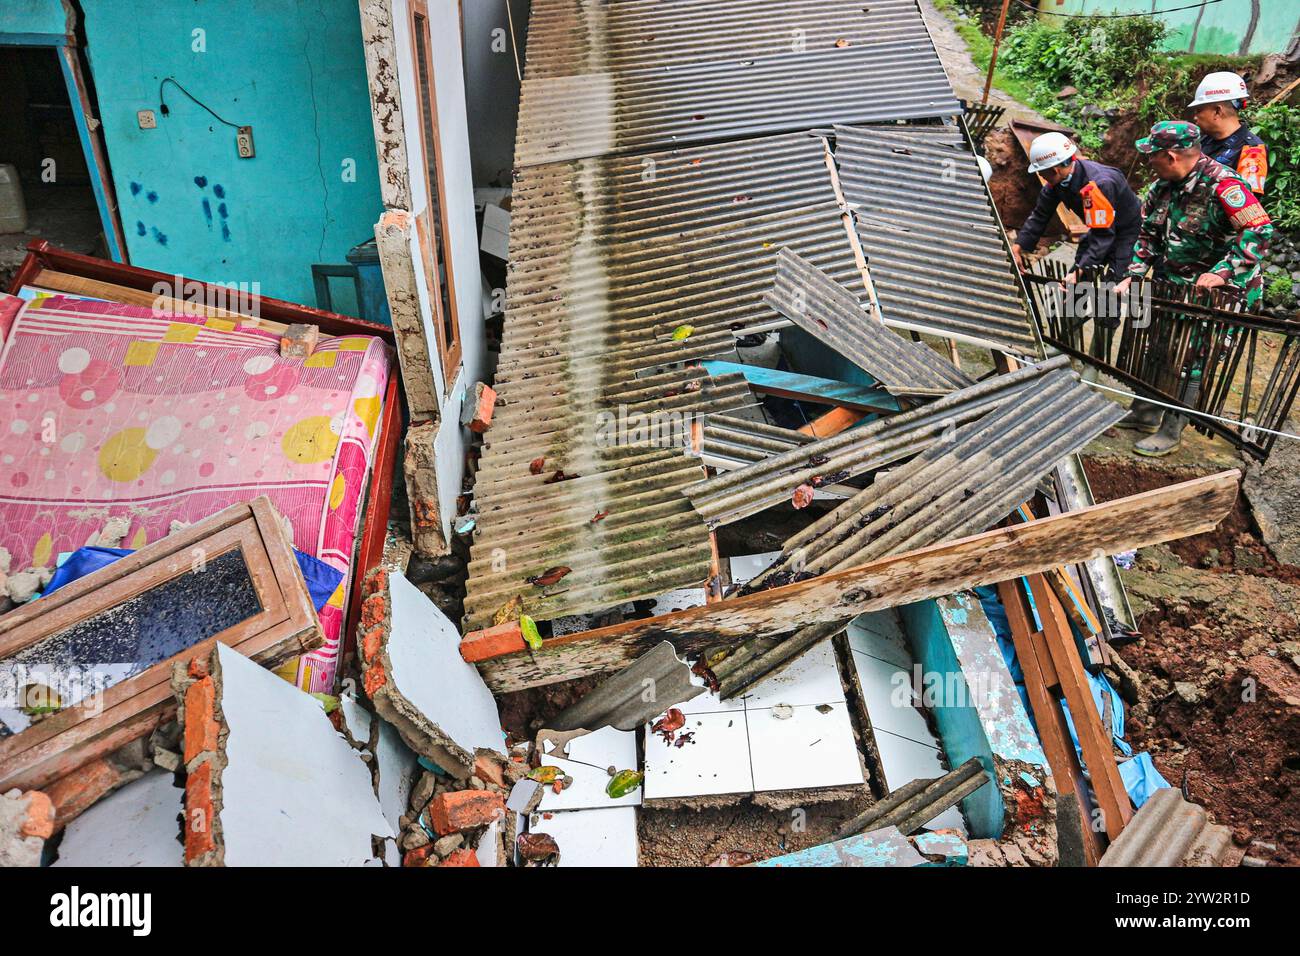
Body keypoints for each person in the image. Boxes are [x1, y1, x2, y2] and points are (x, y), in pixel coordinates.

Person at [1114, 120, 1274, 457]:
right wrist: (1133, 273)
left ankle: (1171, 430)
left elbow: (1259, 231)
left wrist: (1223, 272)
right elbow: (1148, 236)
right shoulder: (1162, 187)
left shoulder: (1224, 185)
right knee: (1159, 348)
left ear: (1171, 156)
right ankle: (1144, 413)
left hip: (1220, 292)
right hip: (1175, 284)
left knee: (1194, 359)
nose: (1148, 161)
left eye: (1151, 155)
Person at [1011, 132, 1143, 281]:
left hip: (1126, 231)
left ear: (1055, 170)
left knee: (1112, 284)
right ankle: (1072, 301)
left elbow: (1103, 235)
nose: (1040, 175)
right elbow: (1040, 215)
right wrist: (1018, 247)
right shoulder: (1057, 183)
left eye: (1040, 171)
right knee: (1076, 282)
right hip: (1099, 228)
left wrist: (1080, 271)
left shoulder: (1098, 185)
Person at [1188, 71, 1268, 195]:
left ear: (1217, 111)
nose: (1195, 117)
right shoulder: (1203, 141)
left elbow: (1247, 200)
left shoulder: (1252, 150)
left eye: (1199, 110)